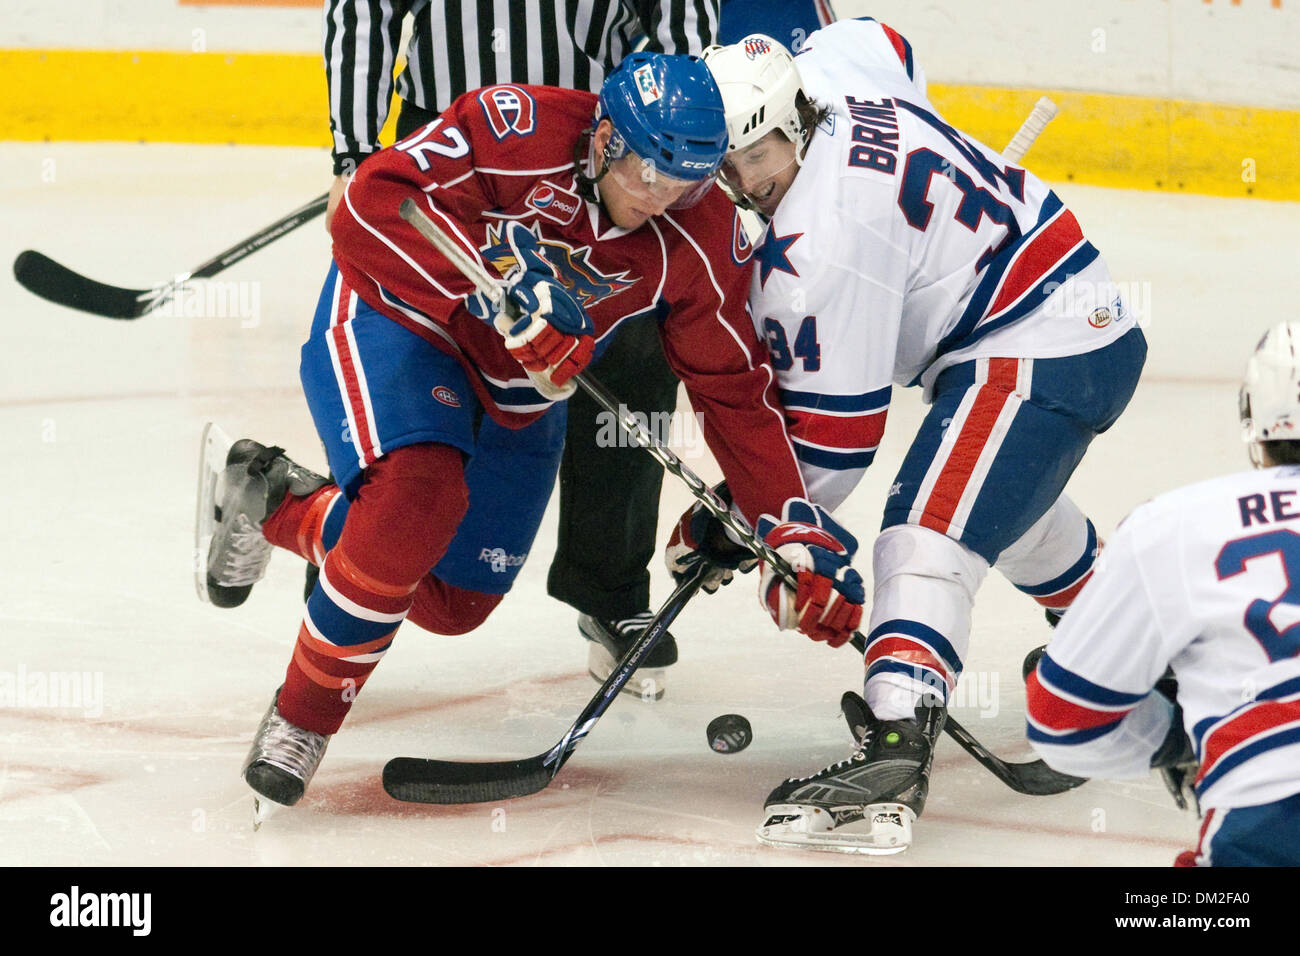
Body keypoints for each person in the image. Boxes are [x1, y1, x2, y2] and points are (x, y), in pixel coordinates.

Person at [200, 52, 866, 811]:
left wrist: (790, 527)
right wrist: (483, 296)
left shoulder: (703, 233)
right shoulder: (511, 127)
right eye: (647, 171)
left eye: (686, 180)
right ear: (607, 138)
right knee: (418, 501)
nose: (661, 196)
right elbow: (366, 207)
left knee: (453, 601)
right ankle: (301, 721)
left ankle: (280, 499)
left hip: (523, 391)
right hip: (401, 324)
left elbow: (736, 392)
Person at [676, 20, 1147, 853]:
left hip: (1041, 341)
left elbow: (833, 449)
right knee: (1003, 507)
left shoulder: (817, 251)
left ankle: (898, 740)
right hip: (1063, 306)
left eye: (757, 159)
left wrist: (734, 522)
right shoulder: (825, 72)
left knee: (930, 528)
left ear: (795, 125)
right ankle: (1128, 653)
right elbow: (882, 39)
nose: (739, 181)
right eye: (724, 160)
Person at [321, 0, 721, 698]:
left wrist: (660, 143)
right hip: (453, 156)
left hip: (600, 149)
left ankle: (612, 592)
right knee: (419, 356)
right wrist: (356, 152)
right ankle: (351, 531)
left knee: (628, 364)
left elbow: (682, 23)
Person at [1026, 322, 1300, 867]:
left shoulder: (1177, 524)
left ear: (1255, 418)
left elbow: (1061, 717)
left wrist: (1175, 738)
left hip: (1270, 813)